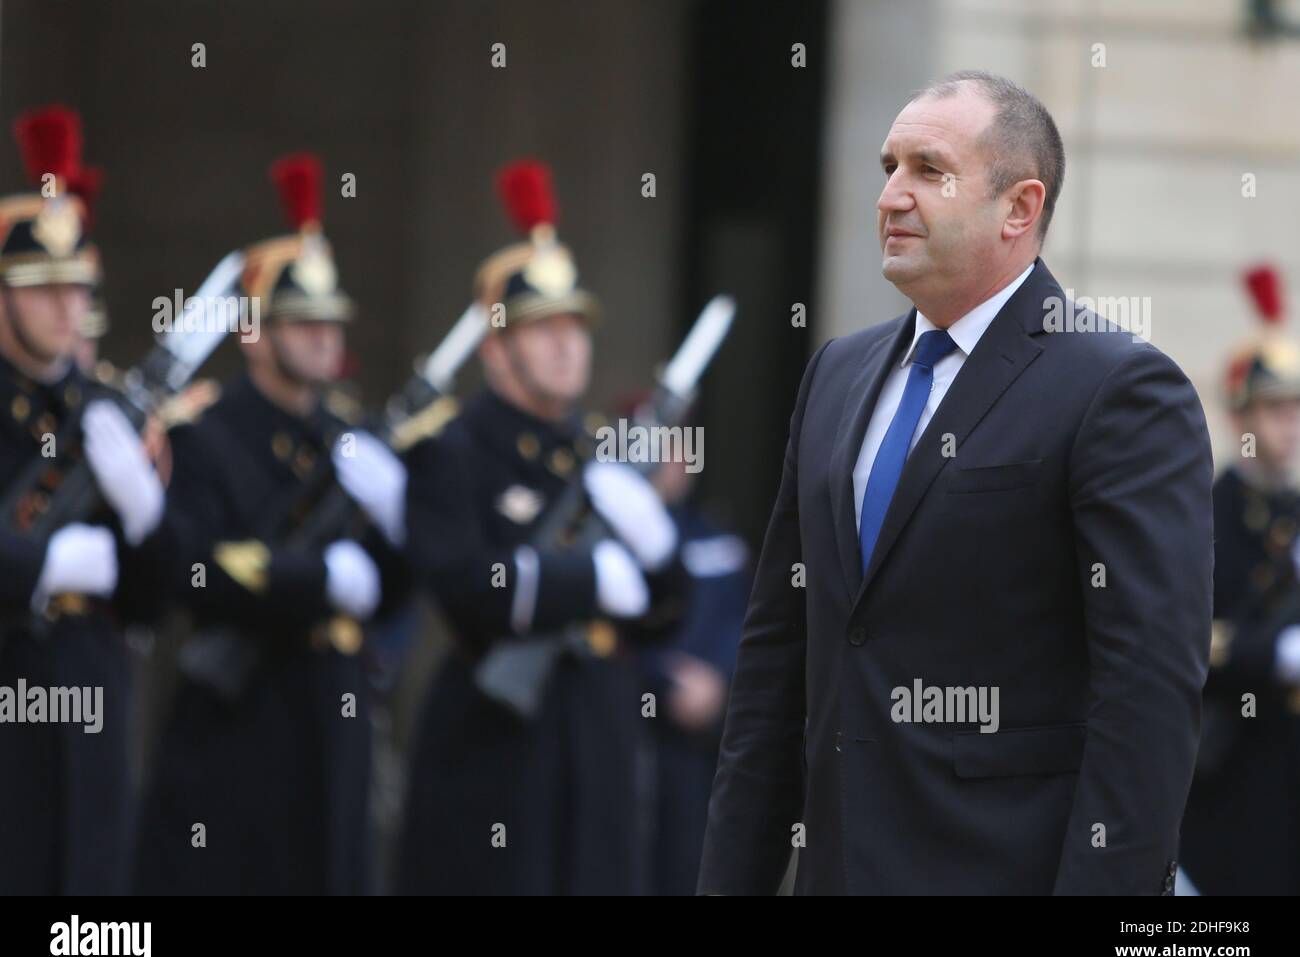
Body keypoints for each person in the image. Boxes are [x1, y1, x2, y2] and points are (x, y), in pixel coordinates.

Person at [698, 70, 1214, 896]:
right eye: (888, 167)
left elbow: (1146, 696)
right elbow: (776, 663)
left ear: (1020, 207)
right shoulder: (836, 372)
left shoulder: (1119, 387)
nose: (892, 196)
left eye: (929, 171)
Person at [398, 160, 682, 895]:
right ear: (495, 348)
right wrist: (590, 579)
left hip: (599, 729)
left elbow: (666, 611)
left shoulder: (597, 449)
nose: (566, 345)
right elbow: (466, 586)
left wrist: (656, 552)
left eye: (574, 328)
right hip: (499, 737)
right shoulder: (453, 448)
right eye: (541, 329)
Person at [135, 153, 409, 895]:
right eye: (301, 321)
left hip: (334, 708)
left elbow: (399, 590)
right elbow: (193, 565)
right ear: (254, 335)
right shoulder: (207, 433)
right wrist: (318, 577)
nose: (325, 335)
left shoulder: (347, 438)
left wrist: (394, 521)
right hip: (247, 715)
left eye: (330, 321)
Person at [0, 106, 169, 894]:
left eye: (79, 287)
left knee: (92, 908)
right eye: (44, 289)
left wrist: (145, 518)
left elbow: (160, 595)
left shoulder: (102, 410)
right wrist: (36, 563)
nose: (69, 307)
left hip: (92, 693)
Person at [1180, 264, 1300, 895]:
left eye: (1297, 408)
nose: (1290, 423)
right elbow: (1187, 639)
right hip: (1227, 769)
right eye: (1275, 408)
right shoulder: (1210, 513)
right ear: (1240, 417)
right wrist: (1274, 655)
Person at [636, 449, 750, 896]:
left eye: (682, 450)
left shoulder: (716, 538)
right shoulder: (618, 539)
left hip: (705, 734)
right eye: (660, 451)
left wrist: (716, 680)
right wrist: (664, 682)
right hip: (640, 728)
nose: (676, 462)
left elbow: (747, 618)